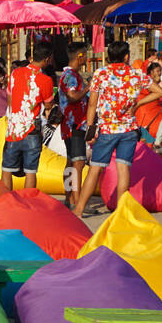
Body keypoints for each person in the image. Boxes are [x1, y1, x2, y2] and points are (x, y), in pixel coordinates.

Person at [73, 41, 161, 218]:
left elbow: (92, 103)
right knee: (123, 169)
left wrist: (90, 127)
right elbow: (159, 92)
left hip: (107, 129)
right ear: (126, 56)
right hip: (129, 129)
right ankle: (121, 211)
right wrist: (137, 104)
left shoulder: (101, 74)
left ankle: (79, 209)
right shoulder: (136, 74)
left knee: (95, 169)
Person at [1, 43, 56, 191]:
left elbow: (10, 97)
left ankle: (5, 202)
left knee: (6, 168)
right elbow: (48, 105)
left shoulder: (15, 73)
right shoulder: (46, 80)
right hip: (32, 128)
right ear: (46, 59)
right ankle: (28, 204)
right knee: (30, 171)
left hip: (14, 128)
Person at [58, 43, 90, 207]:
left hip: (71, 124)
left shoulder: (70, 75)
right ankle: (77, 201)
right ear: (79, 56)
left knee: (71, 162)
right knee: (78, 162)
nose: (86, 57)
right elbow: (72, 96)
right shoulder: (70, 76)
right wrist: (87, 89)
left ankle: (69, 197)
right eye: (84, 54)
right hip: (74, 124)